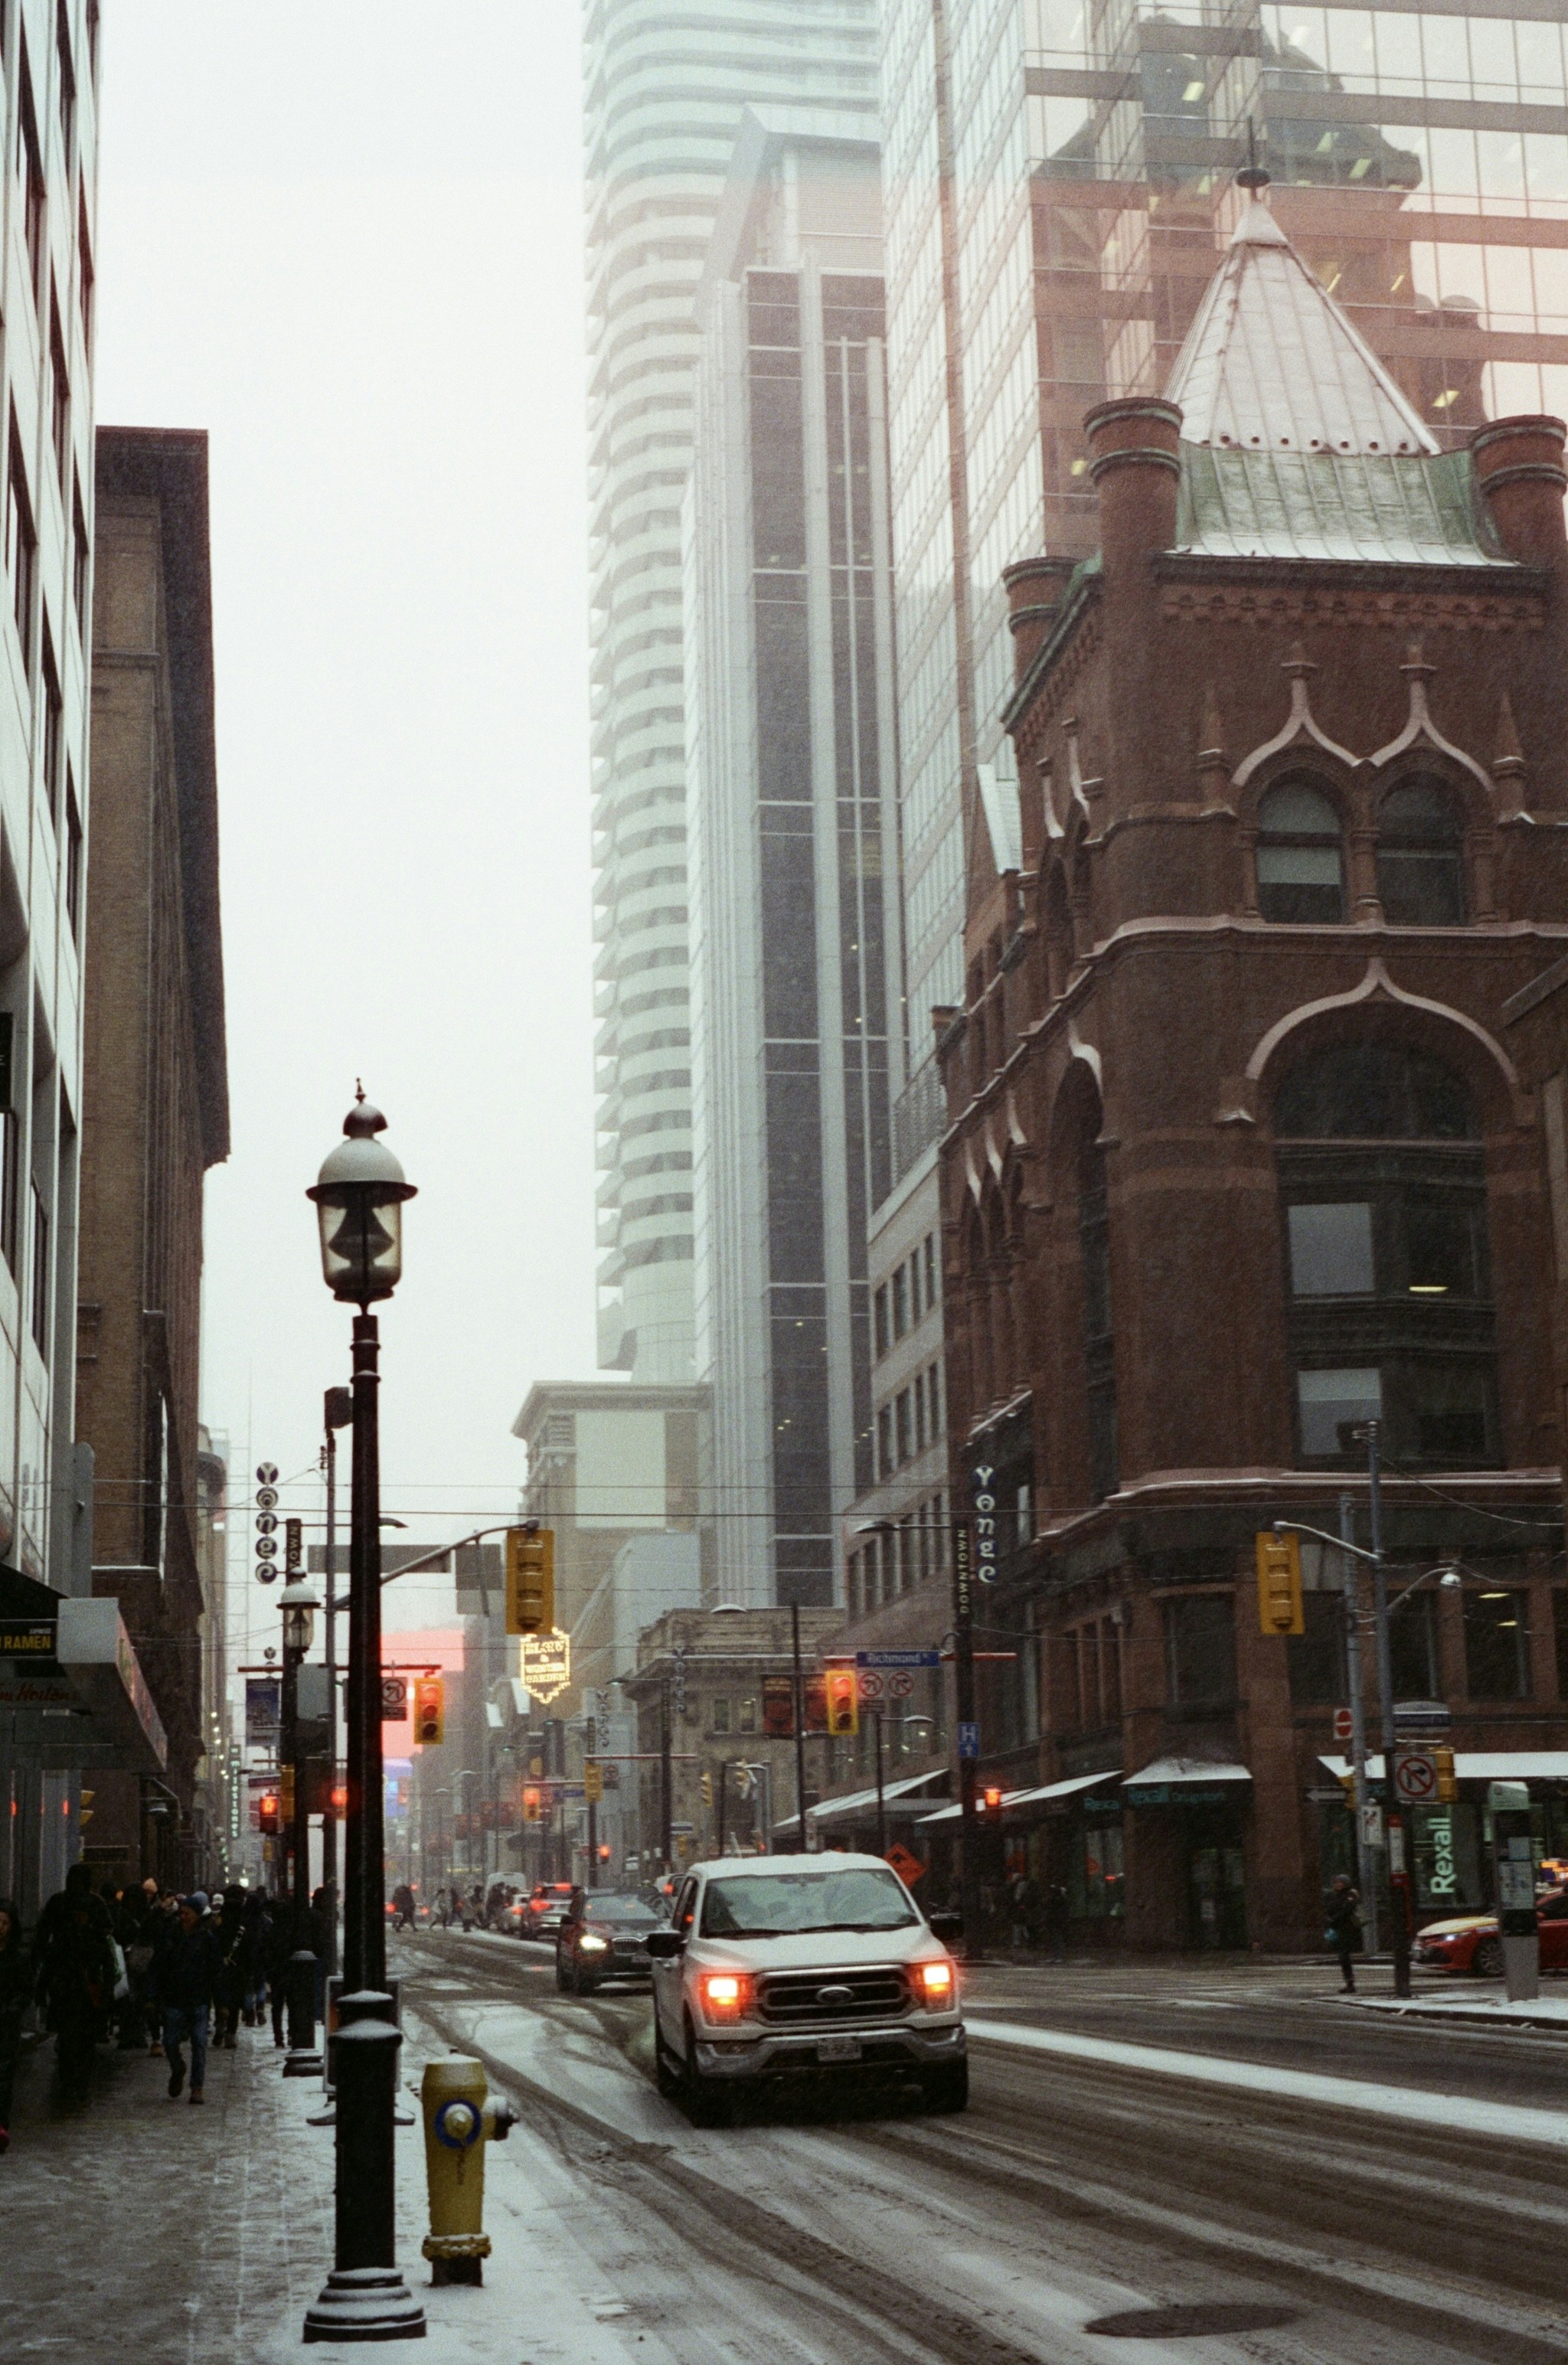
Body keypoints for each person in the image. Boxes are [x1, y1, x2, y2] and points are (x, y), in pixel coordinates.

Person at [33, 1863, 114, 2104]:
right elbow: (106, 1946)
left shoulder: (61, 1903)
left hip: (71, 1981)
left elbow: (43, 1940)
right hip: (79, 1982)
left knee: (73, 2038)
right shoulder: (93, 1905)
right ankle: (75, 2084)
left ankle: (73, 2084)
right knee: (79, 2039)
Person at [152, 1892, 224, 2102]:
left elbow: (216, 1972)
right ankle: (178, 2067)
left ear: (197, 1915)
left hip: (199, 1999)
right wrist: (153, 1995)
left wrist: (221, 2003)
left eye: (188, 1913)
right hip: (174, 1998)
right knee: (170, 2041)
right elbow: (158, 1966)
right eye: (181, 1913)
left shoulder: (207, 1940)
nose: (183, 1917)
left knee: (199, 2043)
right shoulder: (170, 1937)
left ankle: (197, 2087)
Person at [0, 1898, 31, 2152]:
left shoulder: (19, 1957)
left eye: (4, 1923)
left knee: (3, 2073)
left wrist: (12, 2009)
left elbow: (24, 1990)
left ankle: (1, 2124)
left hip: (6, 2024)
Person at [1326, 1873, 1363, 1994]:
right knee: (1343, 1957)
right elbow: (1330, 1909)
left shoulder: (1350, 1894)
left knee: (1344, 1955)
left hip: (1348, 1928)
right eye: (1336, 1882)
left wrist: (1335, 1918)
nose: (1338, 1885)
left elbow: (1347, 1910)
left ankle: (1350, 1983)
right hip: (1338, 1928)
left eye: (1340, 1882)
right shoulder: (1334, 1895)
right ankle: (1349, 1982)